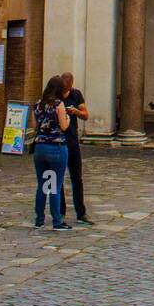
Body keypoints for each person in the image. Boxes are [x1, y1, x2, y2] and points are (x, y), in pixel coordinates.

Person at [33, 74, 72, 231]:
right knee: (55, 185)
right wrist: (68, 119)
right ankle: (57, 220)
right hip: (56, 148)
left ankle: (39, 219)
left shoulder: (38, 105)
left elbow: (35, 125)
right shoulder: (59, 105)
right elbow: (63, 126)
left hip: (40, 148)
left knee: (43, 185)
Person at [59, 71, 94, 226]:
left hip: (72, 141)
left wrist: (76, 112)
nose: (66, 90)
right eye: (64, 88)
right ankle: (60, 210)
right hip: (58, 141)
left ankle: (81, 212)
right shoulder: (55, 96)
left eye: (67, 88)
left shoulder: (76, 94)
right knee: (59, 179)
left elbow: (86, 115)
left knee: (77, 178)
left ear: (72, 85)